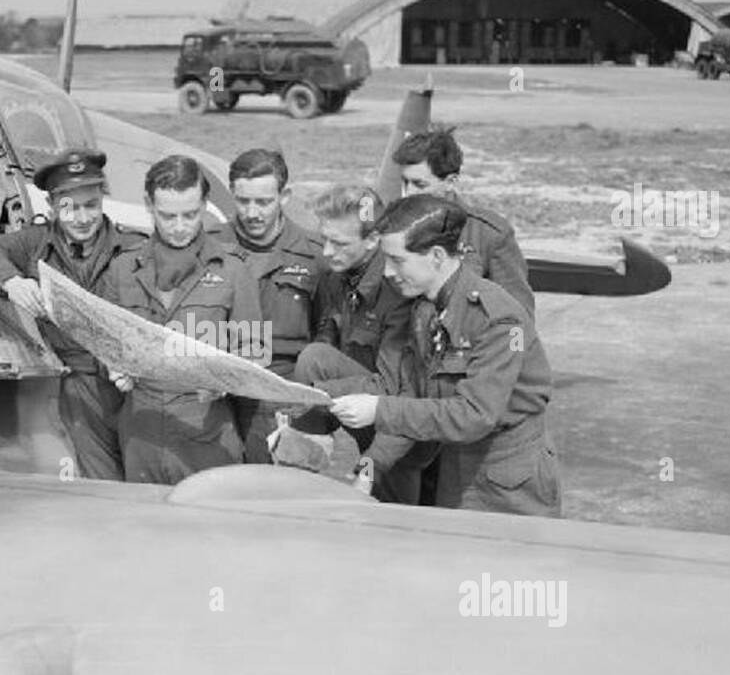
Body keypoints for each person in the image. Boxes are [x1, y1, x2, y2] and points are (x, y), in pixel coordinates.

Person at [329, 192, 563, 675]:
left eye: (399, 262)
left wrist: (381, 413)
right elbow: (411, 394)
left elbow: (472, 415)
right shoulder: (423, 304)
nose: (390, 274)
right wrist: (373, 461)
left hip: (505, 487)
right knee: (447, 623)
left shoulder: (498, 316)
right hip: (451, 478)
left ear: (437, 255)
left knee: (491, 631)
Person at [0, 146, 143, 481]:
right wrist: (11, 280)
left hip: (132, 382)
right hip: (78, 389)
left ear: (103, 201)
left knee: (148, 478)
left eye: (91, 205)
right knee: (104, 485)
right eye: (69, 207)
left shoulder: (134, 247)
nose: (83, 218)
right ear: (52, 207)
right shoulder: (36, 242)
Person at [103, 155, 265, 485]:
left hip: (206, 430)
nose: (179, 226)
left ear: (205, 204)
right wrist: (113, 365)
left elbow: (255, 349)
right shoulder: (122, 270)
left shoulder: (233, 270)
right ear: (148, 205)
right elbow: (105, 337)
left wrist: (226, 379)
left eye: (190, 215)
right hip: (141, 430)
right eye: (168, 216)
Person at [289, 183, 433, 503]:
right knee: (315, 356)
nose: (326, 252)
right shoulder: (337, 276)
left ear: (372, 240)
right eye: (324, 239)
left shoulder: (399, 290)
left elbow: (394, 389)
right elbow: (327, 335)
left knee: (397, 518)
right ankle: (303, 463)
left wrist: (316, 393)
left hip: (400, 425)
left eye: (339, 243)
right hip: (361, 414)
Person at [218, 148, 326, 463]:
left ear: (285, 196)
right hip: (220, 391)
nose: (252, 213)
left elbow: (327, 333)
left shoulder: (314, 255)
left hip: (282, 394)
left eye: (263, 202)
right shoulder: (211, 247)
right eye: (243, 201)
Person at [391, 128, 534, 317]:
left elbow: (518, 316)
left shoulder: (488, 235)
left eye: (420, 185)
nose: (408, 193)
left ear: (450, 181)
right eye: (405, 183)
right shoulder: (392, 230)